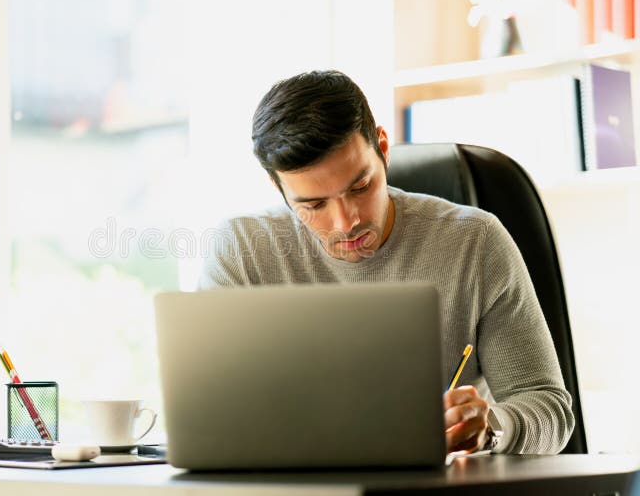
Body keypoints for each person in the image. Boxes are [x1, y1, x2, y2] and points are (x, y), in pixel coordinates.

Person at [198, 70, 575, 455]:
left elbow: (551, 412)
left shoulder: (474, 242)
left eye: (360, 187)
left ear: (382, 147)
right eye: (313, 205)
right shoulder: (242, 251)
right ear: (278, 188)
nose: (347, 222)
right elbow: (207, 412)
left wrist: (493, 428)